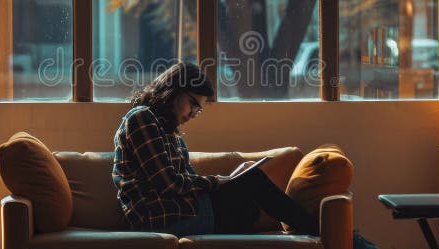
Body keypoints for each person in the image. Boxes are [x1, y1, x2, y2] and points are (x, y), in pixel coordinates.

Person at [112, 62, 318, 238]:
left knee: (248, 206)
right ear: (173, 90)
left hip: (183, 211)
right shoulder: (141, 119)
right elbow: (169, 184)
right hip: (159, 218)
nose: (193, 113)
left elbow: (188, 179)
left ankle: (310, 230)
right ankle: (318, 231)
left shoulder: (170, 132)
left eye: (198, 109)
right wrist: (219, 181)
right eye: (193, 103)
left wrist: (231, 179)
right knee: (252, 184)